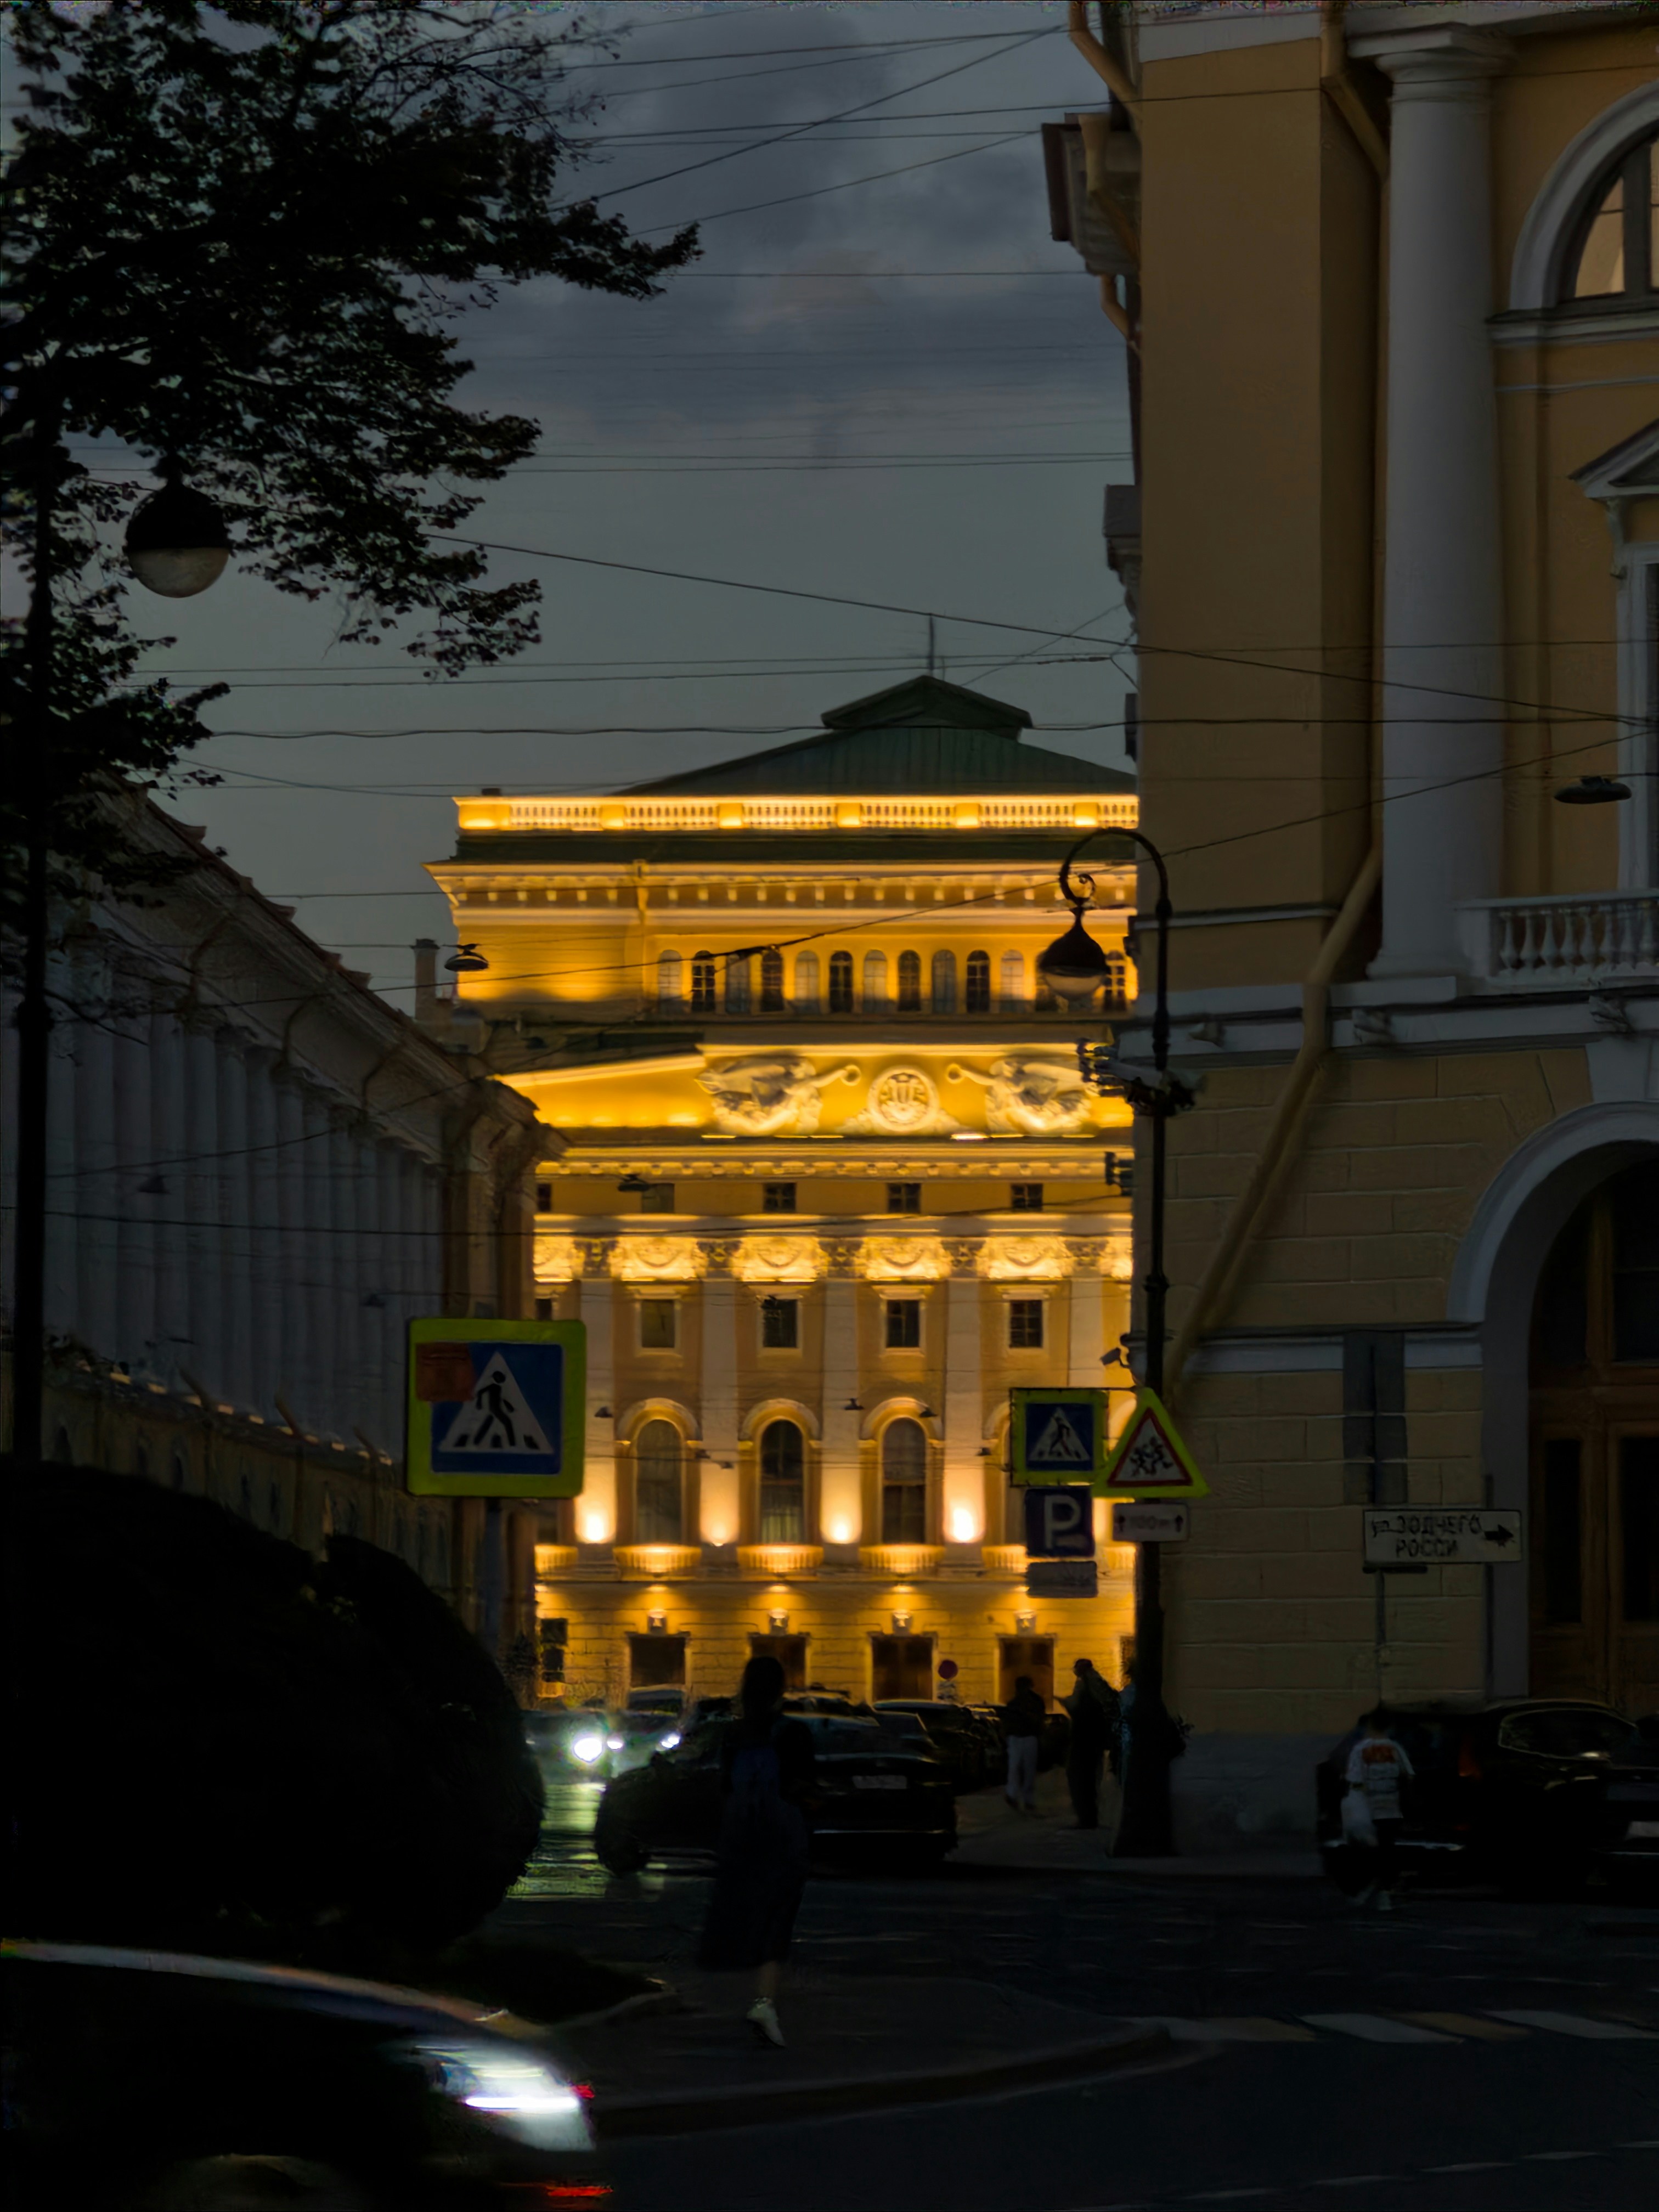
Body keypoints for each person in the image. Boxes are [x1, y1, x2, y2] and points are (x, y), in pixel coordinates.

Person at [696, 1655, 815, 2045]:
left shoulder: (734, 1734)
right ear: (781, 1688)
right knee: (778, 1919)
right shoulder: (793, 1734)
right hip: (782, 1834)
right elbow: (802, 1787)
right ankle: (764, 2001)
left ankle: (746, 1998)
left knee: (745, 1913)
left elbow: (722, 1788)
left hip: (741, 1832)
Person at [1345, 1707, 1414, 1911]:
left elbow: (1353, 1781)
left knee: (1365, 1853)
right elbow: (1408, 1777)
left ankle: (1365, 1891)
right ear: (1389, 1726)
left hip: (1367, 1808)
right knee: (1387, 1851)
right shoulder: (1395, 1749)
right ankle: (1384, 1893)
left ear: (1370, 1725)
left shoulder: (1360, 1750)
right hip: (1390, 1808)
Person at [1062, 1657, 1120, 1831]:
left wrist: (1065, 1702)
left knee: (1080, 1780)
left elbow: (1076, 1707)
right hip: (1096, 1741)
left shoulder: (1084, 1685)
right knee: (1092, 1780)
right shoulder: (1099, 1684)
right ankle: (1090, 1817)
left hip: (1084, 1740)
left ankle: (1086, 1819)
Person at [1001, 1673, 1046, 1812]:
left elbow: (1037, 1720)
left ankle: (1018, 1797)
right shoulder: (1024, 1702)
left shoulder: (1020, 1703)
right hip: (1024, 1737)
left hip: (1023, 1737)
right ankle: (1021, 1798)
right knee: (1024, 1770)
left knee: (1020, 1769)